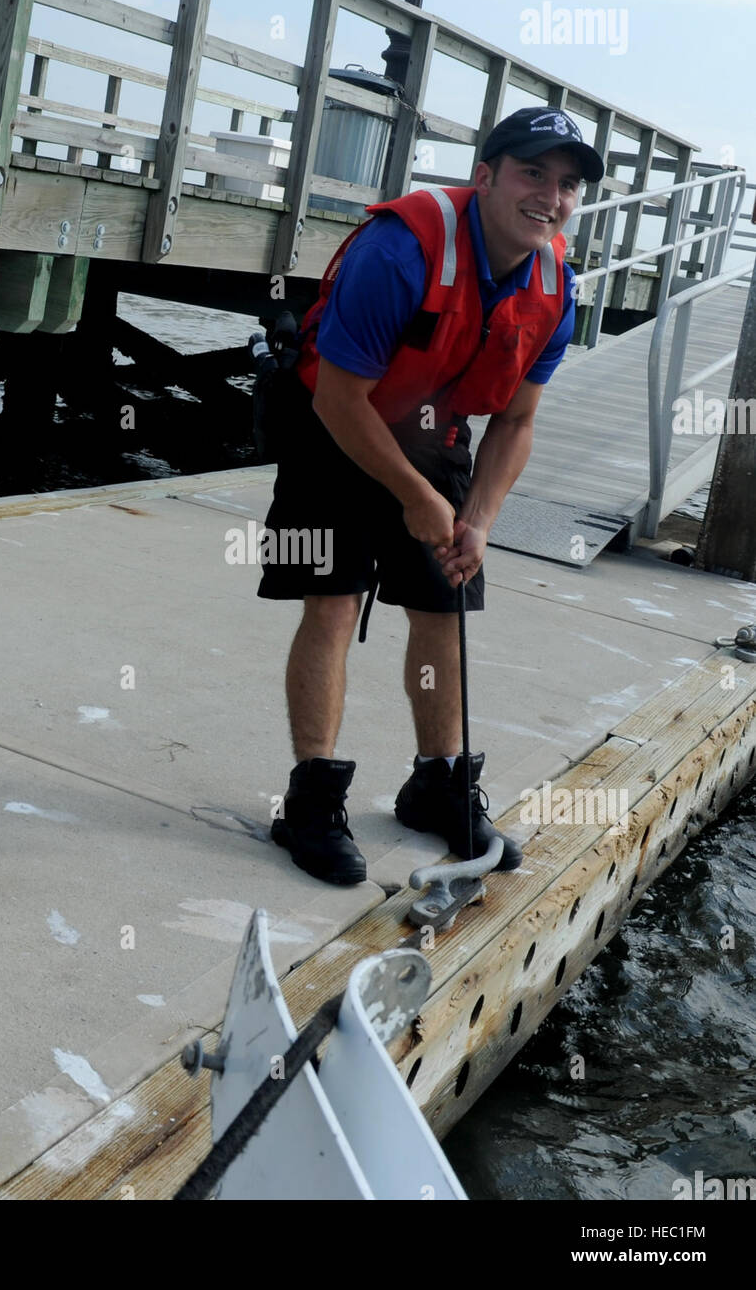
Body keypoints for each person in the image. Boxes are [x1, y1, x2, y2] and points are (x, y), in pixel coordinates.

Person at [257, 106, 605, 886]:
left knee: (444, 607)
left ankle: (438, 784)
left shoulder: (556, 287)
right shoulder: (398, 250)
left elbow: (516, 422)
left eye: (567, 185)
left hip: (435, 431)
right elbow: (340, 402)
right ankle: (311, 800)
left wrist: (475, 520)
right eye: (532, 174)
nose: (550, 196)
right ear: (484, 176)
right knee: (335, 600)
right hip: (331, 425)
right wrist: (416, 498)